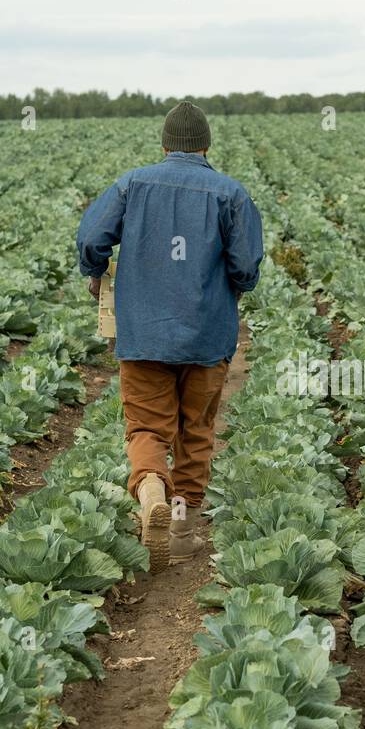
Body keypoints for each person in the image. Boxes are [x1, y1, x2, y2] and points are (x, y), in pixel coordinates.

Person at [77, 101, 262, 573]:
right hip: (206, 335)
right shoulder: (231, 193)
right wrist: (228, 290)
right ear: (205, 146)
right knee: (196, 431)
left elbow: (92, 238)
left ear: (164, 145)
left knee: (145, 427)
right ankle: (181, 530)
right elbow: (245, 266)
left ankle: (152, 487)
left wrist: (96, 274)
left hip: (144, 335)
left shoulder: (132, 183)